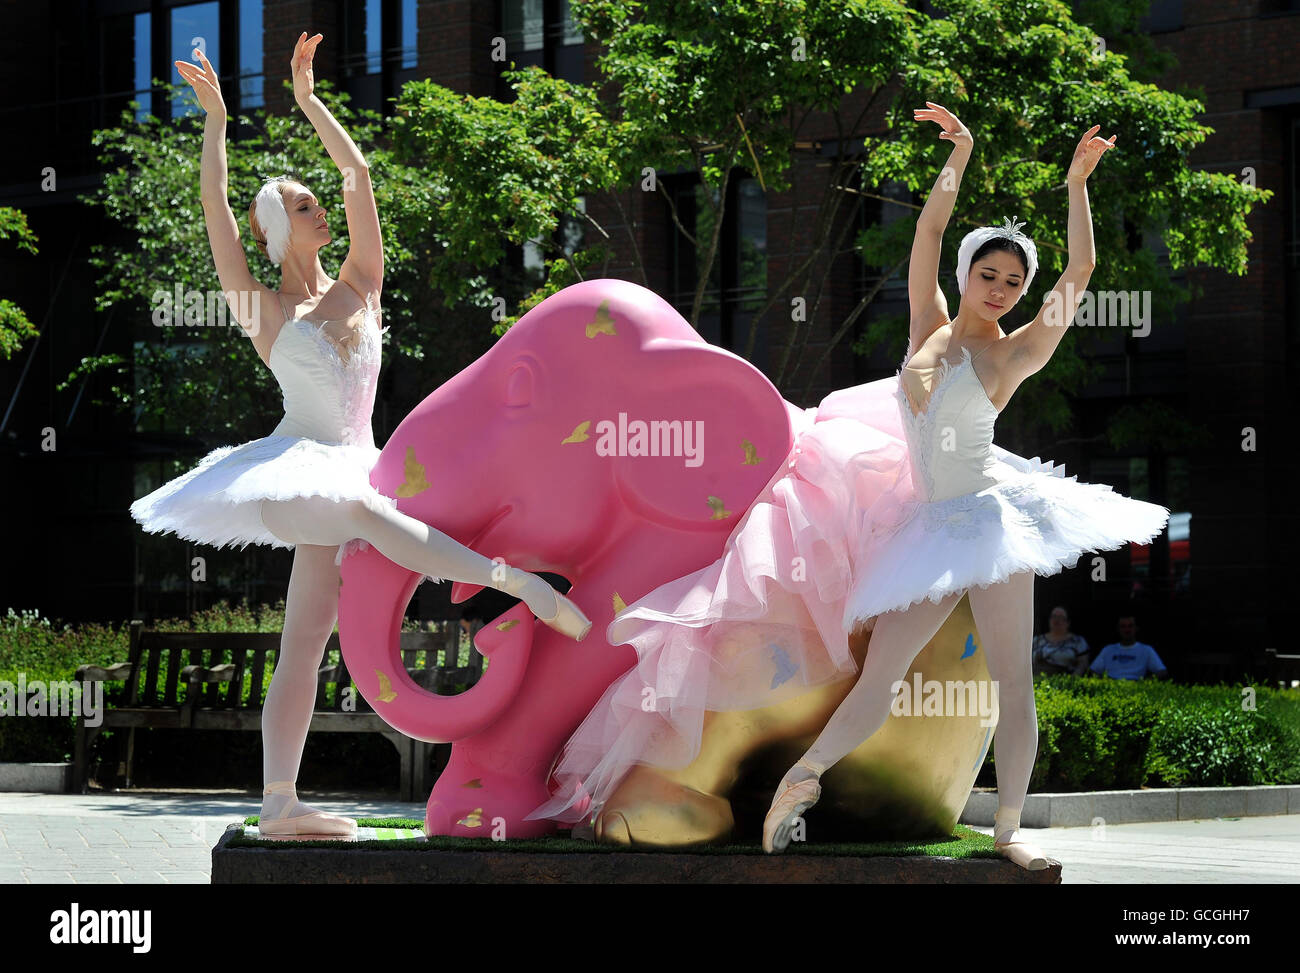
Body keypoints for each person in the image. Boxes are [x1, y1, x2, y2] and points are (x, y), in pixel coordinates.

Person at [527, 103, 1168, 871]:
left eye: (1012, 281)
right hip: (928, 526)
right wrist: (958, 153)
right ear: (968, 276)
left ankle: (1008, 831)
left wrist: (1076, 184)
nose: (999, 288)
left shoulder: (1016, 354)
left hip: (993, 523)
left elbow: (1082, 274)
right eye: (988, 274)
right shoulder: (927, 325)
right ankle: (801, 780)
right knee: (878, 677)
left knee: (1011, 685)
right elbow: (928, 233)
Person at [130, 34, 589, 838]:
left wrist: (310, 104)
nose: (318, 210)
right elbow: (213, 215)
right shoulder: (263, 312)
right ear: (275, 232)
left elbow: (360, 176)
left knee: (304, 639)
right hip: (296, 475)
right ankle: (518, 584)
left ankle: (279, 803)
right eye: (301, 206)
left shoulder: (361, 286)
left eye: (314, 201)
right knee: (360, 521)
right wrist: (215, 127)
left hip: (357, 467)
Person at [1090, 615, 1168, 680]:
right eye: (1123, 626)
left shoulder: (1146, 650)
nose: (1127, 630)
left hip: (1137, 686)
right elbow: (1093, 670)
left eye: (1130, 626)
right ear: (1118, 629)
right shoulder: (1108, 649)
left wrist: (1145, 682)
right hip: (1112, 685)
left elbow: (1161, 671)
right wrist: (1105, 682)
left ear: (1136, 628)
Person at [1031, 606, 1090, 675]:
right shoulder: (1037, 640)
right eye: (1054, 616)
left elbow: (1083, 664)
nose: (1056, 620)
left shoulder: (1078, 641)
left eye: (1061, 617)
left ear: (1068, 622)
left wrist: (1071, 680)